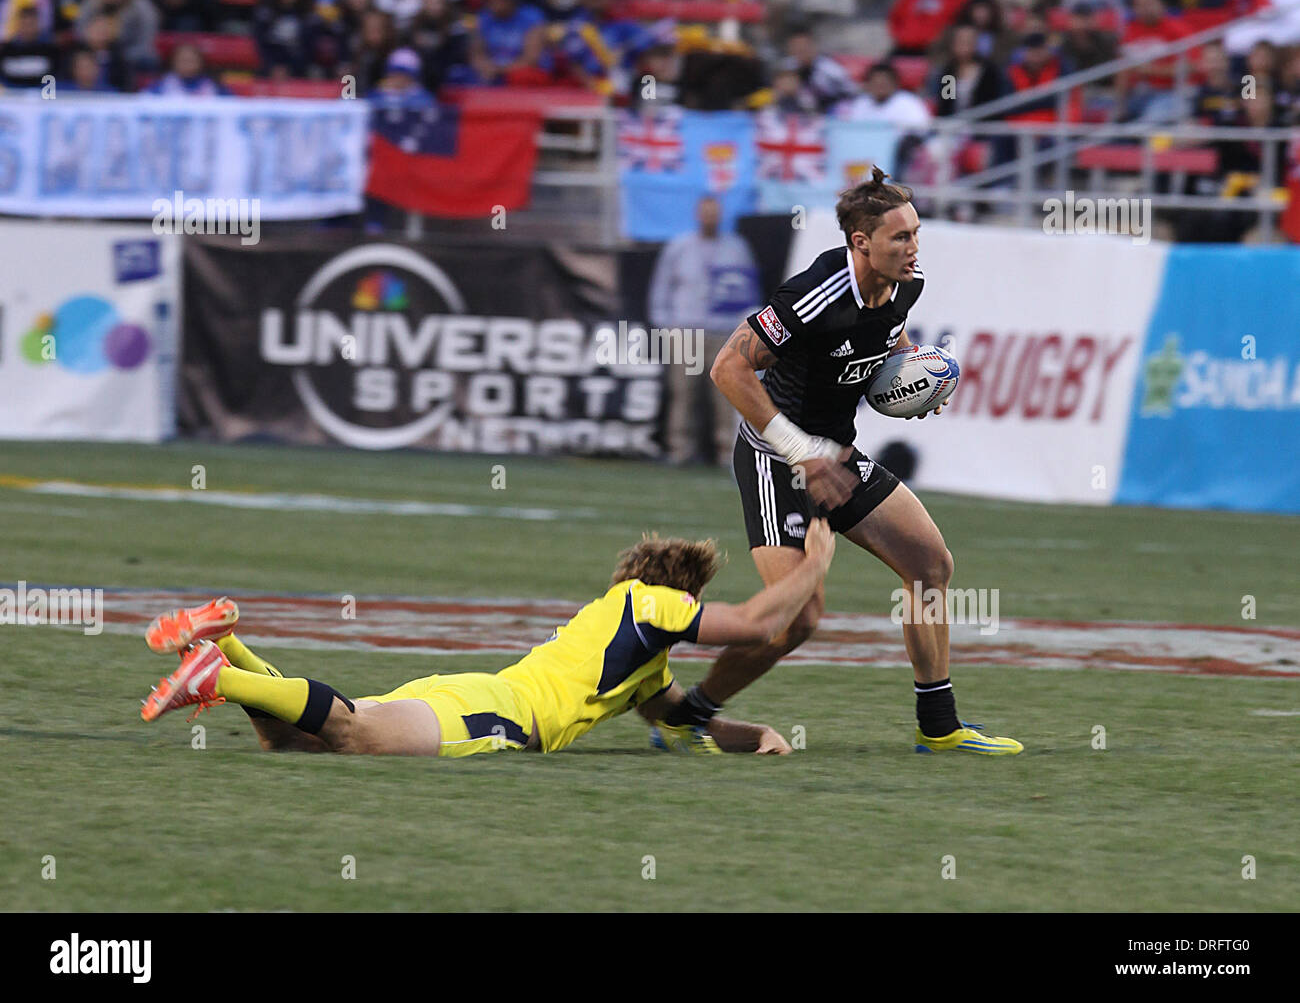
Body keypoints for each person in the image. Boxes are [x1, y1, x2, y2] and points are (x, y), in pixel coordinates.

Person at [694, 170, 1023, 756]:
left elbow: (885, 341)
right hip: (778, 461)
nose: (913, 248)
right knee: (796, 619)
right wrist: (804, 455)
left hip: (838, 458)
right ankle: (689, 716)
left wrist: (906, 380)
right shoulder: (815, 292)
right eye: (899, 238)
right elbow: (728, 368)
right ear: (860, 243)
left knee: (930, 563)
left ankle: (939, 727)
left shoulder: (906, 286)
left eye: (916, 233)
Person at [138, 518, 839, 757]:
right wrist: (814, 565)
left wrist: (757, 734)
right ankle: (217, 679)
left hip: (476, 692)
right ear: (683, 591)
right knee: (355, 735)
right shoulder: (651, 604)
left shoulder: (638, 656)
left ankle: (228, 649)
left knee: (297, 742)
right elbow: (754, 625)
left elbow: (681, 720)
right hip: (501, 715)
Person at [648, 195, 761, 468]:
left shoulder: (736, 248)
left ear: (720, 215)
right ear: (698, 214)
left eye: (714, 213)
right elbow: (662, 286)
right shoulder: (679, 247)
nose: (709, 217)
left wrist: (745, 327)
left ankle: (728, 452)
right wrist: (665, 324)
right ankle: (680, 450)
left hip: (724, 332)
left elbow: (747, 289)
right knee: (683, 393)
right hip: (686, 330)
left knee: (727, 394)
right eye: (705, 212)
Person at [837, 62, 932, 129]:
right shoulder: (861, 103)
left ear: (895, 84)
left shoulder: (908, 102)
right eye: (875, 83)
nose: (880, 88)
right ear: (867, 85)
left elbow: (920, 130)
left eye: (884, 84)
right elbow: (852, 130)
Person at [0, 5, 58, 89]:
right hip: (10, 99)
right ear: (18, 25)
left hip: (42, 98)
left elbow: (54, 80)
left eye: (31, 24)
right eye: (24, 24)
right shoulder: (5, 50)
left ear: (38, 25)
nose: (27, 29)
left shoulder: (50, 51)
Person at [147, 42, 228, 96]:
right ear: (173, 62)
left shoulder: (213, 86)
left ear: (200, 62)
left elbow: (232, 104)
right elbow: (144, 103)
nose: (186, 64)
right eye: (182, 60)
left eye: (191, 60)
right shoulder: (162, 85)